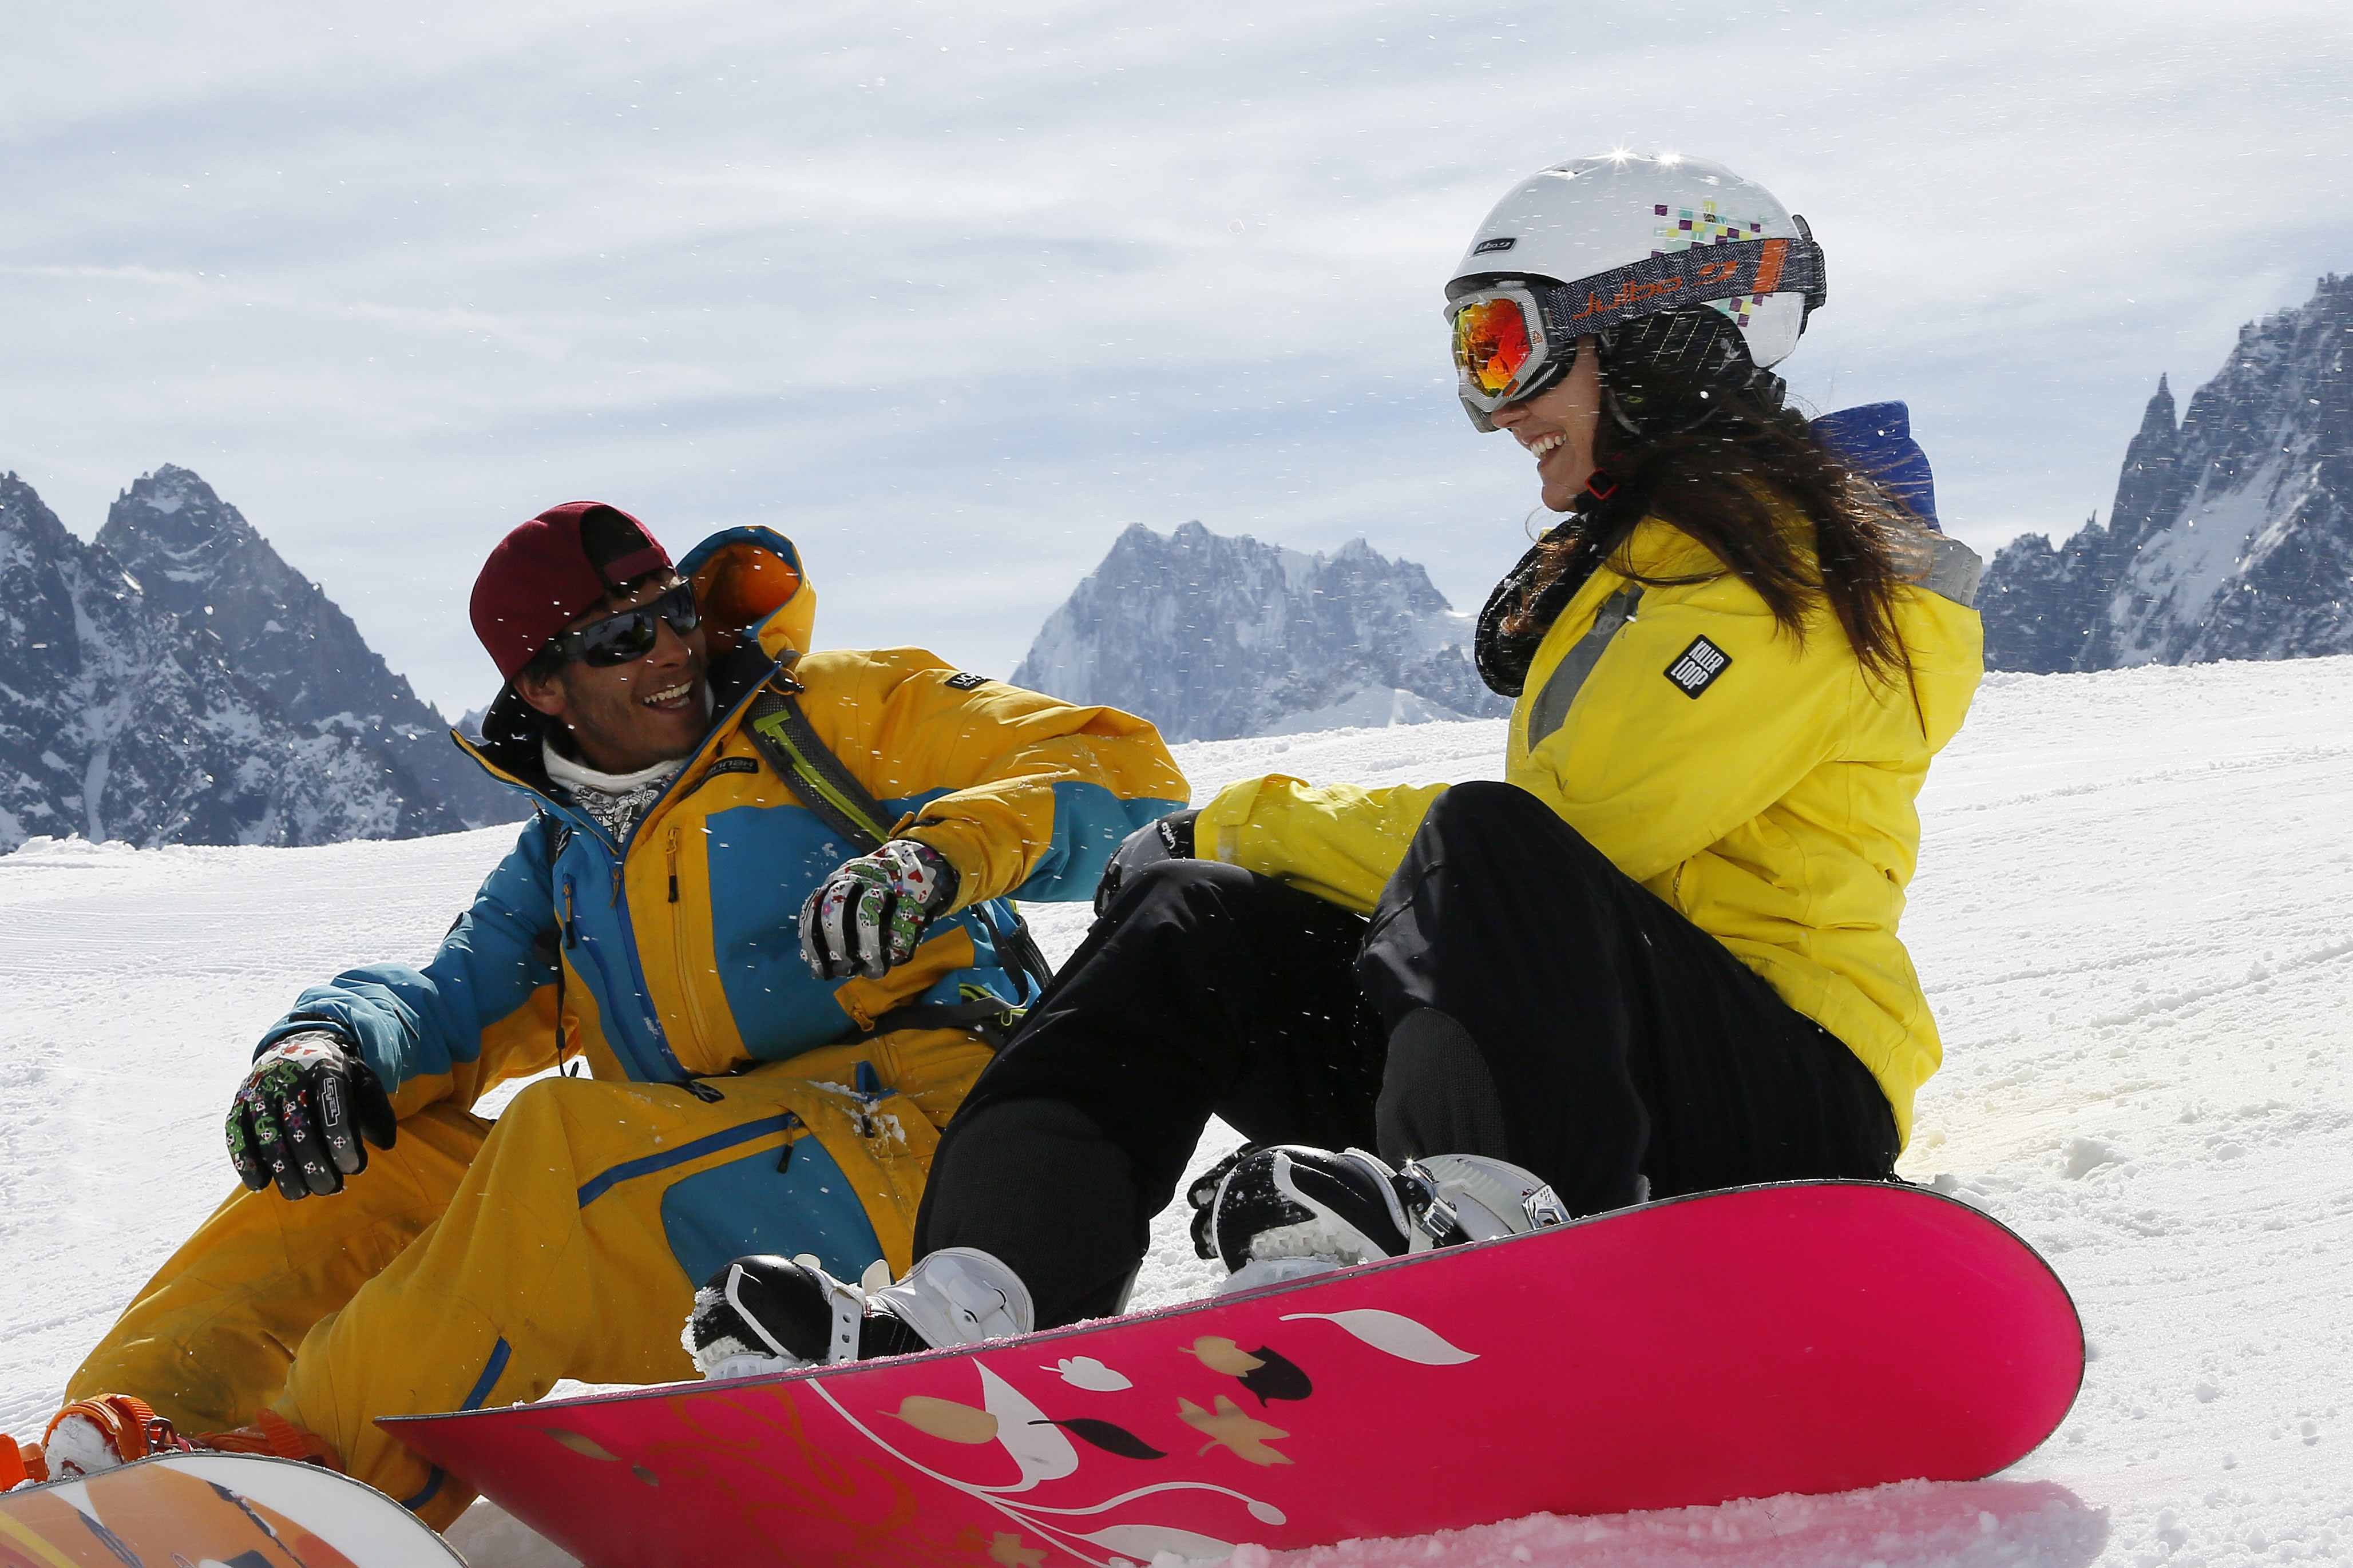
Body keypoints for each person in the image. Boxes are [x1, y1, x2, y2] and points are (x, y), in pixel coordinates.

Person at [680, 152, 1988, 1372]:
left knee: (1485, 840)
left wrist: (1239, 821)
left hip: (1781, 1099)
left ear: (1664, 337)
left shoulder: (1811, 583)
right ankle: (984, 1301)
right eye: (1473, 354)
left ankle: (1499, 1232)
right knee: (1201, 931)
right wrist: (1215, 866)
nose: (1495, 406)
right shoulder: (1637, 568)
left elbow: (1580, 833)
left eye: (1510, 345)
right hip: (1591, 1085)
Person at [7, 503, 1185, 1522]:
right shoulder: (569, 856)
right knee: (357, 1166)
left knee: (556, 1151)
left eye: (675, 613)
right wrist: (330, 1043)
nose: (672, 650)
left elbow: (1127, 772)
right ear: (542, 686)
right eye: (622, 640)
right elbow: (447, 1005)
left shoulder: (829, 716)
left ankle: (315, 1490)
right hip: (717, 1189)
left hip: (944, 1165)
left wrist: (941, 856)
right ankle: (107, 1460)